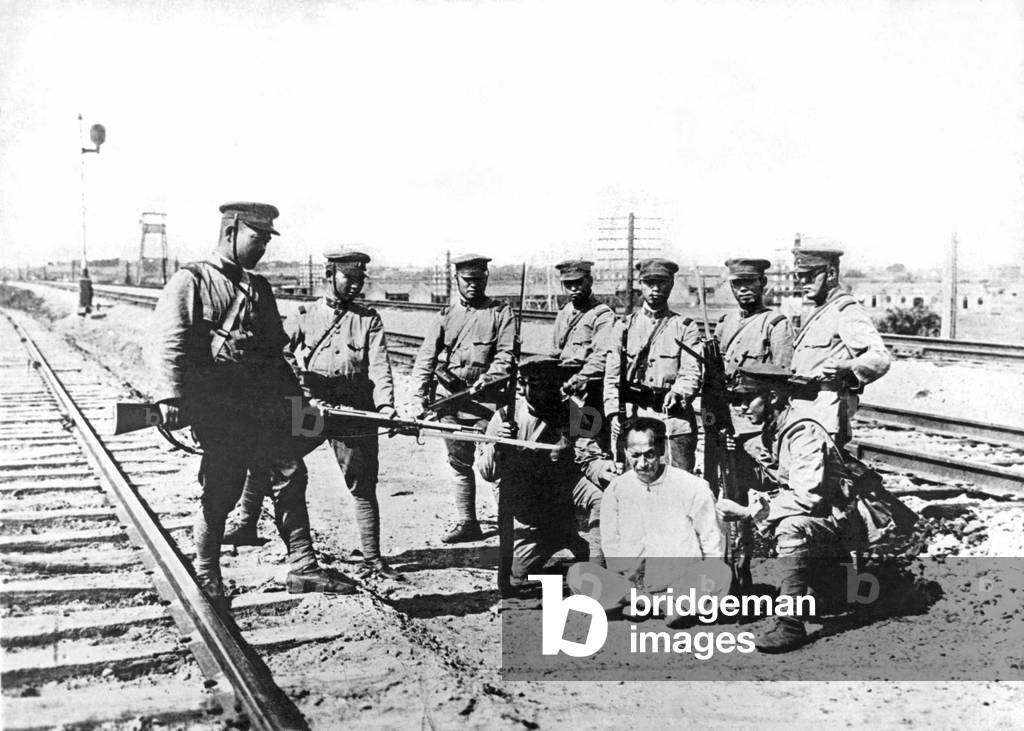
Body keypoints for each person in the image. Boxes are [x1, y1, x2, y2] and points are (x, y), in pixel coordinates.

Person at [150, 202, 357, 610]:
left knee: (290, 472)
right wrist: (170, 396)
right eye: (256, 238)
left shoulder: (258, 287)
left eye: (266, 240)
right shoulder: (192, 280)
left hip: (263, 404)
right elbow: (169, 341)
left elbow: (278, 352)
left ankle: (303, 566)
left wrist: (304, 400)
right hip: (219, 406)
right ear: (230, 232)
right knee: (223, 485)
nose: (263, 247)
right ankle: (207, 572)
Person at [223, 250, 402, 579]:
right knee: (269, 455)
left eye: (360, 279)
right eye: (348, 278)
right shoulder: (305, 315)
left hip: (353, 410)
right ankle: (246, 524)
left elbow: (380, 367)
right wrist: (303, 393)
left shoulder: (368, 320)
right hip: (312, 406)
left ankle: (373, 559)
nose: (355, 285)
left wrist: (386, 406)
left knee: (362, 483)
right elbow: (282, 354)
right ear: (329, 275)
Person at [719, 363, 852, 653]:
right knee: (789, 522)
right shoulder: (776, 428)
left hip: (844, 525)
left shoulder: (803, 432)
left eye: (747, 399)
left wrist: (748, 512)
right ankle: (829, 589)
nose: (741, 408)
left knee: (791, 526)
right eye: (737, 401)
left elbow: (807, 497)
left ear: (773, 397)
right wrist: (742, 452)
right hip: (825, 526)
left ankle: (791, 625)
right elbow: (780, 477)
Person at [567, 417, 730, 627]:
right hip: (634, 587)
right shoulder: (616, 490)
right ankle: (658, 605)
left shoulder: (693, 487)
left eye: (649, 455)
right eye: (635, 455)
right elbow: (612, 548)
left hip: (682, 584)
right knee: (577, 574)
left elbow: (713, 544)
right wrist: (627, 581)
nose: (642, 464)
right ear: (625, 452)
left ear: (662, 450)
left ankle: (646, 604)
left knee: (720, 572)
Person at [476, 355, 610, 586]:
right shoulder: (506, 416)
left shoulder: (570, 411)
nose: (544, 394)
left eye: (551, 387)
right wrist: (499, 444)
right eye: (537, 387)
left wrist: (604, 471)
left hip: (562, 487)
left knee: (600, 498)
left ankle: (597, 569)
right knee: (519, 577)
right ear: (523, 386)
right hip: (527, 502)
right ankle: (561, 538)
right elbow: (488, 473)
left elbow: (588, 454)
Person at [410, 254, 515, 543]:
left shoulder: (501, 313)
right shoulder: (445, 315)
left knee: (493, 465)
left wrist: (488, 378)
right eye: (467, 280)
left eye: (478, 279)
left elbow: (506, 355)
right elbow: (426, 358)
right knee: (458, 463)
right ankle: (468, 522)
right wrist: (417, 398)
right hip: (450, 402)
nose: (473, 285)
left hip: (487, 403)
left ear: (486, 278)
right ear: (456, 279)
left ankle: (507, 523)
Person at [603, 258, 701, 471]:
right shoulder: (624, 327)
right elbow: (612, 376)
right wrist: (613, 413)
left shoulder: (685, 327)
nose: (655, 288)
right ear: (640, 284)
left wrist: (679, 392)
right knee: (636, 481)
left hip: (673, 422)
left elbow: (692, 372)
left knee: (678, 482)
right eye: (649, 283)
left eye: (662, 282)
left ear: (671, 284)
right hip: (635, 420)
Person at [789, 248, 891, 444]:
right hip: (804, 410)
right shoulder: (820, 310)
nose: (803, 282)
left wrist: (848, 366)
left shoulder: (846, 311)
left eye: (810, 276)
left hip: (824, 412)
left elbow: (880, 357)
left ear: (831, 274)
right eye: (799, 276)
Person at [550, 259, 615, 445]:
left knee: (589, 443)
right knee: (562, 443)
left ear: (590, 281)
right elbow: (555, 352)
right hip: (564, 389)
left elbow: (602, 357)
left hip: (589, 391)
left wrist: (577, 380)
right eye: (568, 284)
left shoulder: (602, 315)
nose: (573, 289)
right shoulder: (564, 312)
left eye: (578, 283)